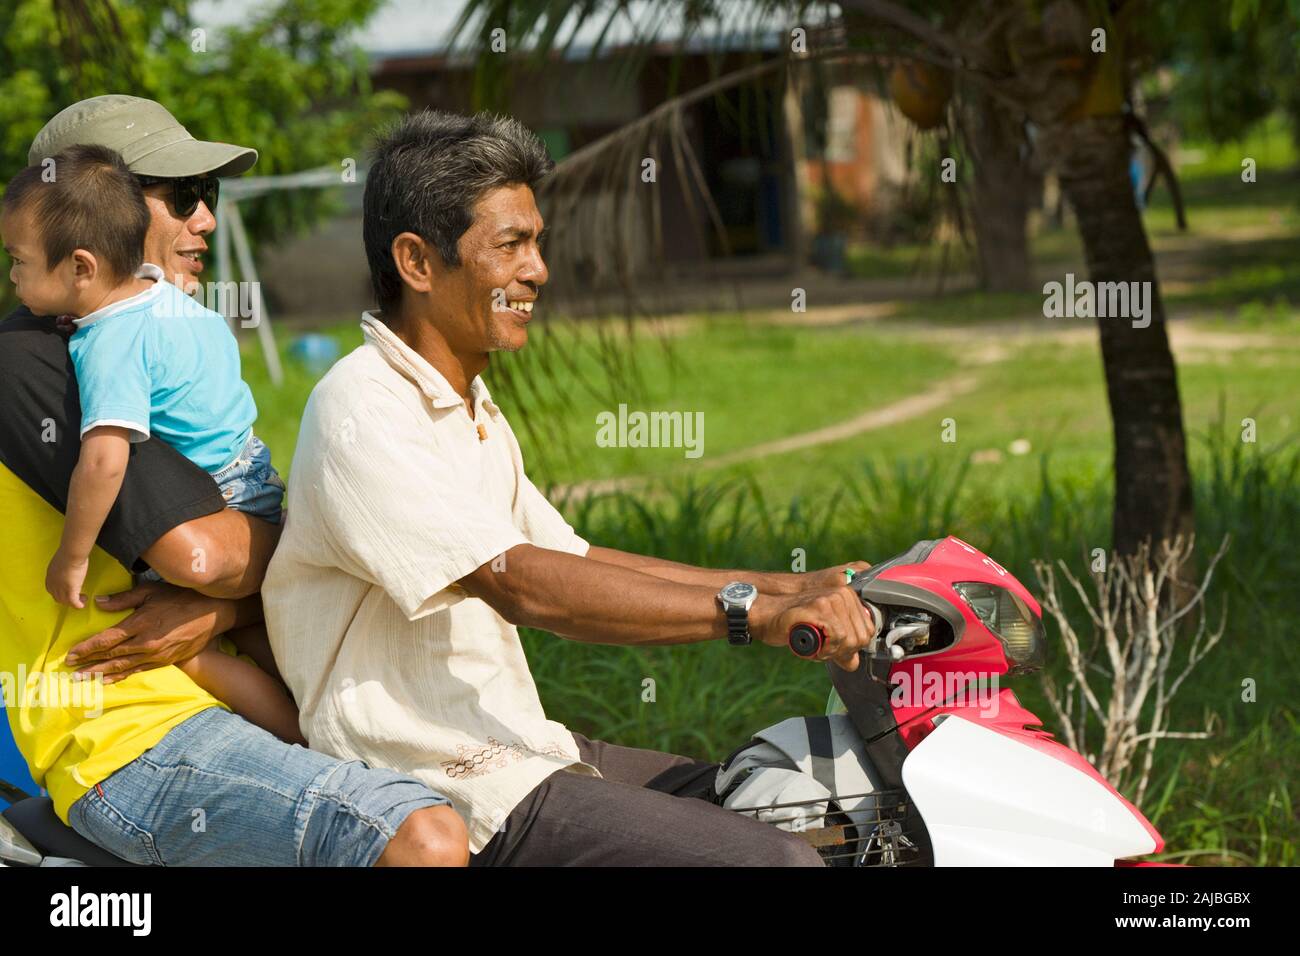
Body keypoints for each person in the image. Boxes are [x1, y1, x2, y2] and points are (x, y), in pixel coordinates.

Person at [262, 110, 878, 866]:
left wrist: (794, 584)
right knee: (775, 861)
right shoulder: (362, 409)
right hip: (443, 777)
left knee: (807, 807)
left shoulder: (466, 407)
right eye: (511, 245)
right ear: (417, 262)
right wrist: (755, 615)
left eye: (538, 241)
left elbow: (576, 558)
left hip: (523, 745)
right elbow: (524, 586)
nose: (538, 269)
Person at [0, 95, 466, 866]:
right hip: (130, 733)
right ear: (90, 222)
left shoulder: (131, 334)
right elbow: (204, 559)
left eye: (208, 196)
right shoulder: (39, 362)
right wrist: (243, 590)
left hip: (200, 699)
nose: (206, 221)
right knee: (419, 836)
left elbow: (217, 576)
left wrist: (214, 614)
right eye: (181, 197)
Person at [2, 143, 300, 744]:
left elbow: (107, 460)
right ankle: (322, 725)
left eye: (17, 261)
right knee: (271, 640)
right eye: (184, 196)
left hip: (222, 495)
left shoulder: (108, 342)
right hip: (255, 474)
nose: (12, 278)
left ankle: (301, 738)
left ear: (83, 264)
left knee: (179, 646)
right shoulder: (160, 293)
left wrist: (75, 555)